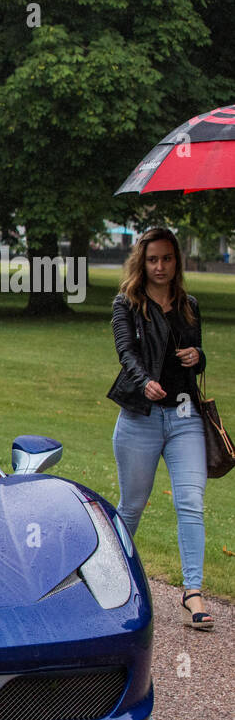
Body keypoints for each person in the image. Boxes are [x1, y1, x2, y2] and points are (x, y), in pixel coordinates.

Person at [107, 227, 212, 629]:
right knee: (132, 505)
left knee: (190, 500)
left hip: (184, 417)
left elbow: (200, 358)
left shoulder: (189, 305)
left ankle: (193, 592)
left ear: (176, 261)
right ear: (142, 262)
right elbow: (125, 352)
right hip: (141, 418)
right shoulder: (127, 304)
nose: (160, 266)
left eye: (167, 259)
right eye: (153, 259)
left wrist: (196, 355)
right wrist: (143, 379)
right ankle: (113, 578)